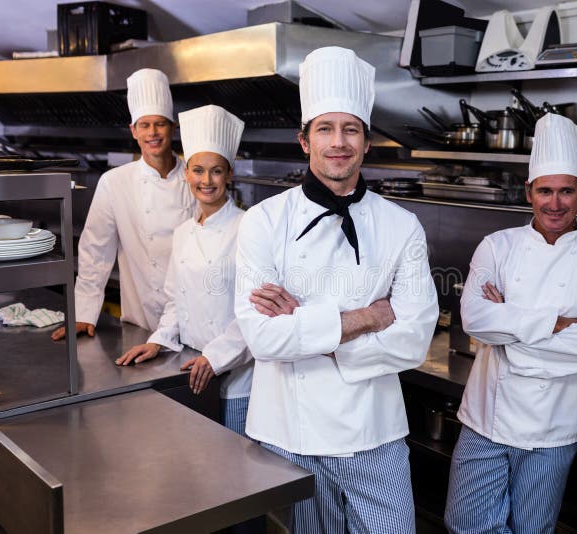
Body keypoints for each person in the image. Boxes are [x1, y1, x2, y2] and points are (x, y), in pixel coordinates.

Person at [233, 46, 439, 533]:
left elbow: (414, 340)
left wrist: (307, 330)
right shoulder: (264, 221)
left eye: (351, 129)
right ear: (305, 141)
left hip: (375, 430)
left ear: (367, 143)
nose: (338, 142)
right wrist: (367, 318)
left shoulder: (402, 226)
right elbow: (262, 339)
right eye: (325, 129)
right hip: (290, 430)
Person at [445, 113, 577, 534]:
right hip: (486, 419)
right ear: (529, 192)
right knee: (466, 524)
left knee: (532, 530)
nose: (555, 203)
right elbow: (474, 318)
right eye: (545, 191)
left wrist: (507, 329)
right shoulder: (497, 246)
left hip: (554, 429)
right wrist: (558, 323)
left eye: (566, 191)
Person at [115, 104, 254, 434]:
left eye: (216, 171)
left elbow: (254, 311)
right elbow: (176, 300)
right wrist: (159, 340)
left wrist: (216, 358)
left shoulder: (248, 228)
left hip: (238, 379)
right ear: (187, 174)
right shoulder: (183, 233)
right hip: (192, 370)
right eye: (198, 170)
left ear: (229, 174)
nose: (206, 181)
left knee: (236, 470)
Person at [52, 68, 194, 340]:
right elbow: (96, 252)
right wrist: (83, 314)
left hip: (193, 317)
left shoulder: (195, 177)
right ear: (133, 131)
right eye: (144, 125)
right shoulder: (114, 182)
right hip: (142, 319)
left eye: (160, 123)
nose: (153, 132)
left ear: (173, 127)